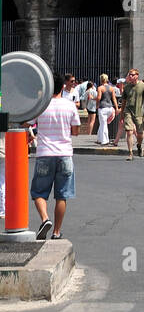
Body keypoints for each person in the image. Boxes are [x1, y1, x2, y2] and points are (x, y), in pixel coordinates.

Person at [29, 72, 80, 239]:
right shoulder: (70, 105)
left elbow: (27, 122)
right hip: (65, 154)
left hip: (45, 154)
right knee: (62, 195)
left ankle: (45, 219)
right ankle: (56, 232)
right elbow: (76, 131)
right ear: (63, 87)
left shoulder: (41, 106)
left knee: (38, 192)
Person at [117, 68, 144, 160]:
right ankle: (130, 153)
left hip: (139, 112)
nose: (130, 76)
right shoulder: (126, 87)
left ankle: (139, 145)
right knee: (129, 132)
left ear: (137, 76)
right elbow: (123, 102)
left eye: (132, 75)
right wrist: (122, 114)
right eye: (129, 75)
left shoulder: (143, 86)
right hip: (128, 111)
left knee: (140, 134)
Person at [96, 73, 118, 145]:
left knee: (103, 124)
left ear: (101, 79)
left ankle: (105, 140)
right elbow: (114, 99)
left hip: (103, 108)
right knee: (102, 123)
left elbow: (99, 98)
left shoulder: (100, 88)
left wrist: (96, 104)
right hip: (110, 107)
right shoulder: (111, 88)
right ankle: (99, 138)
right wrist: (116, 108)